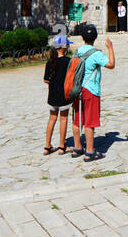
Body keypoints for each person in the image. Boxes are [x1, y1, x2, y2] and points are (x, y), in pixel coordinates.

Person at [70, 23, 115, 162]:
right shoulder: (96, 54)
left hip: (77, 90)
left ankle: (77, 147)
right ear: (95, 37)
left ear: (82, 37)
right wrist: (110, 48)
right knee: (90, 121)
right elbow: (111, 65)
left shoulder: (77, 51)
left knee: (77, 119)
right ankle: (90, 151)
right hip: (91, 90)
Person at [42, 33, 72, 155]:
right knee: (63, 119)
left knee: (52, 119)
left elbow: (46, 79)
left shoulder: (50, 62)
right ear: (64, 47)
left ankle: (47, 146)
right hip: (63, 94)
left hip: (52, 95)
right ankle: (61, 146)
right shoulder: (68, 61)